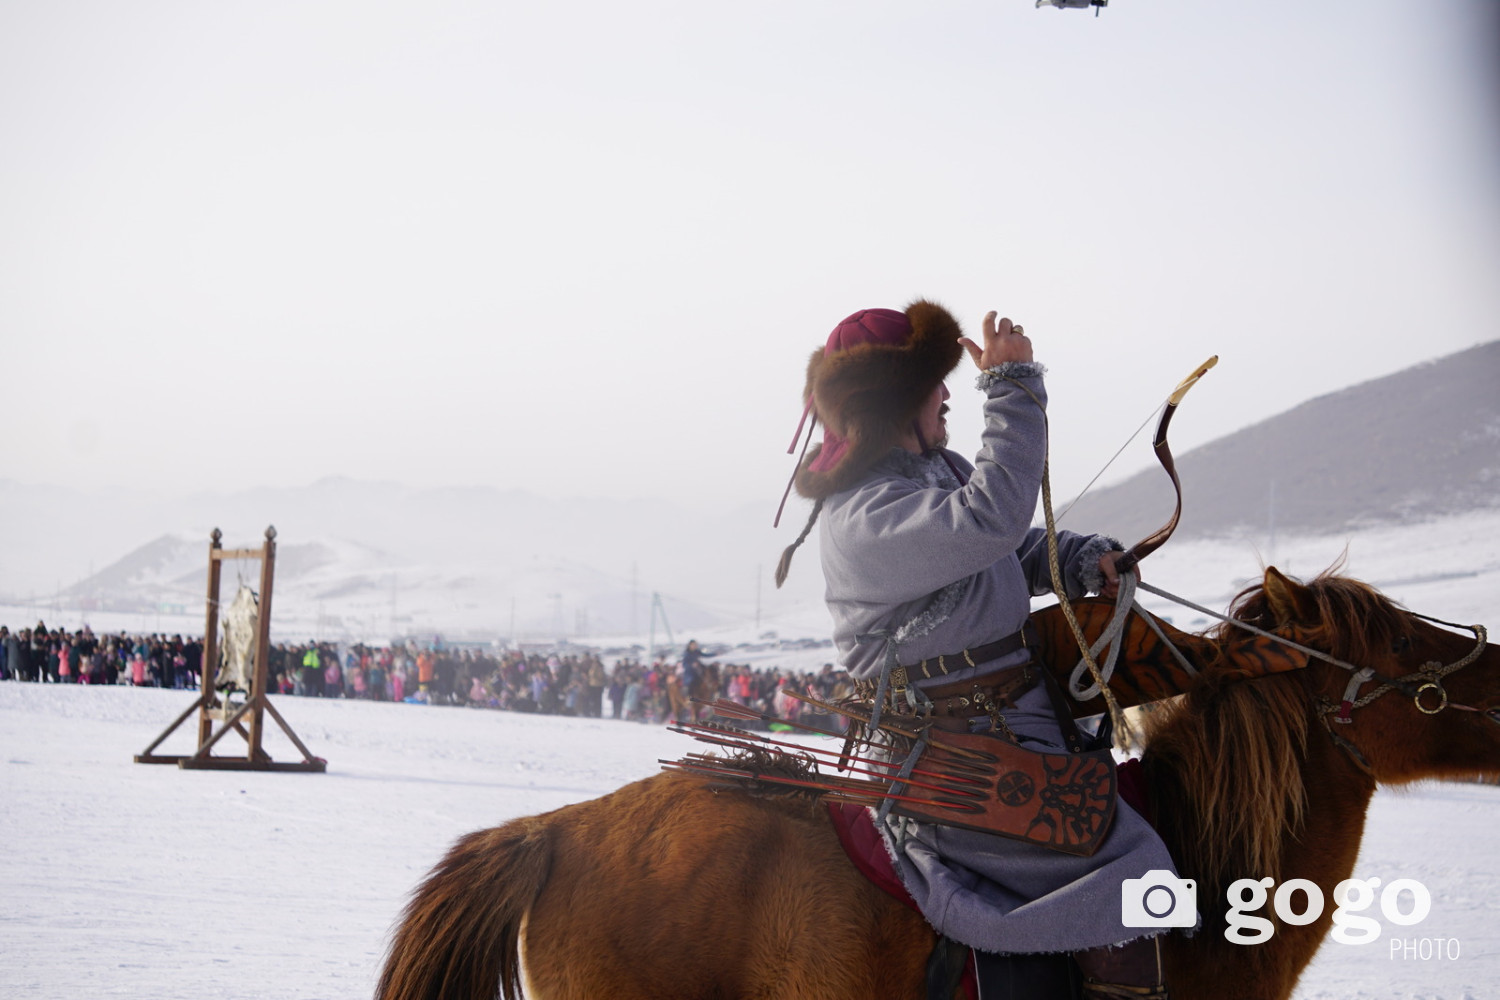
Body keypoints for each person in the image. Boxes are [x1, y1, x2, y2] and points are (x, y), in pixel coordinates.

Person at [776, 301, 1178, 999]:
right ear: (894, 402)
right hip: (950, 761)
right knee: (1133, 882)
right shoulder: (863, 517)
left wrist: (1082, 559)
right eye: (934, 383)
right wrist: (1012, 385)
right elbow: (989, 520)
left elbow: (1002, 548)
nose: (947, 394)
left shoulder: (933, 472)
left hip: (1010, 731)